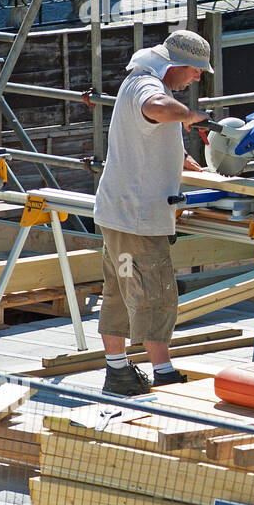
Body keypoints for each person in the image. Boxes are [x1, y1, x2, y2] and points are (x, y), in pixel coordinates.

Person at [94, 30, 213, 395]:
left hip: (119, 217)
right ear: (176, 65)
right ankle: (163, 371)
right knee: (153, 293)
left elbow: (151, 137)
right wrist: (193, 116)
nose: (196, 77)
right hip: (138, 222)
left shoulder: (137, 82)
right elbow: (159, 110)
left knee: (120, 289)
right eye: (194, 71)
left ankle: (118, 372)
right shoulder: (147, 86)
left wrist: (192, 165)